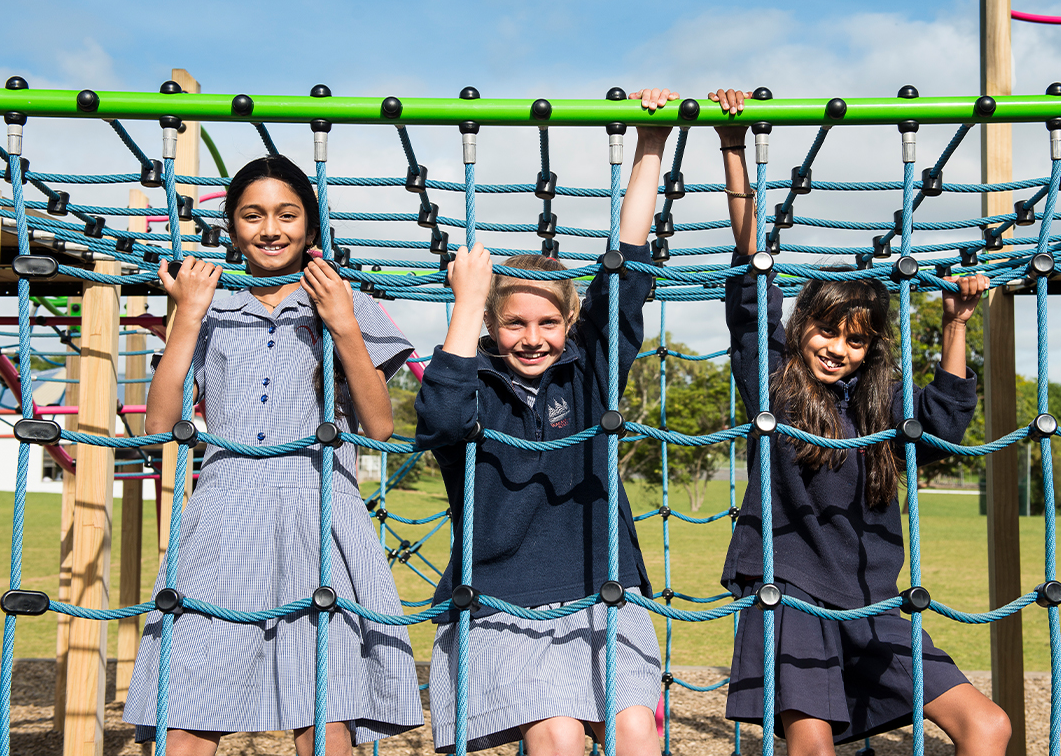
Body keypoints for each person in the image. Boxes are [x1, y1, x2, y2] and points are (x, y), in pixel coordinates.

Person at [708, 88, 1012, 755]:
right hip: (791, 593)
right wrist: (734, 150)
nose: (836, 348)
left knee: (988, 724)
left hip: (875, 602)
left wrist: (956, 326)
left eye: (853, 339)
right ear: (801, 327)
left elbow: (944, 424)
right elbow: (752, 268)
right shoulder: (775, 384)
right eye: (825, 330)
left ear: (869, 346)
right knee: (812, 746)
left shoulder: (877, 406)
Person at [123, 154, 423, 756]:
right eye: (252, 215)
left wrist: (342, 324)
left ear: (310, 227)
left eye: (287, 215)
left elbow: (381, 426)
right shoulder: (212, 304)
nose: (270, 229)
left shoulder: (344, 299)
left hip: (318, 506)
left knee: (325, 704)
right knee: (189, 704)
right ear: (232, 226)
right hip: (226, 513)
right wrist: (187, 315)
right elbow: (158, 425)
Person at [415, 88, 679, 756]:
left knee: (635, 731)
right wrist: (467, 309)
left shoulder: (588, 375)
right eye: (514, 322)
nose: (532, 338)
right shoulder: (470, 384)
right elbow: (440, 420)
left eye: (547, 322)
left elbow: (629, 269)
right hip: (502, 595)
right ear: (493, 327)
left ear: (570, 323)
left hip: (600, 585)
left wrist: (651, 145)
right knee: (557, 733)